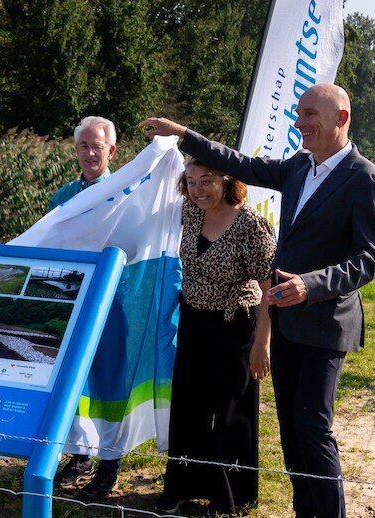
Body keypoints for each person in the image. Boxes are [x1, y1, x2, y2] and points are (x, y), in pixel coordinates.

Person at [143, 83, 375, 518]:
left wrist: (310, 285)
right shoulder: (298, 166)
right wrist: (185, 134)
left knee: (313, 429)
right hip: (288, 321)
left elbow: (370, 259)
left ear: (341, 117)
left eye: (310, 114)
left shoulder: (365, 178)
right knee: (293, 433)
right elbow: (241, 164)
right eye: (297, 113)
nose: (299, 123)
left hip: (325, 323)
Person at [154, 158, 275, 515]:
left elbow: (271, 289)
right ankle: (182, 486)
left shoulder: (251, 225)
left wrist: (262, 343)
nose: (198, 189)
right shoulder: (189, 214)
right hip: (193, 321)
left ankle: (230, 497)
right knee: (189, 407)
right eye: (191, 182)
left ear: (226, 181)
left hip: (236, 325)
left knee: (231, 411)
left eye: (206, 180)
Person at [47, 116, 124, 499]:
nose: (90, 153)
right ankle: (80, 454)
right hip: (73, 302)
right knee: (74, 382)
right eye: (83, 146)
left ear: (112, 151)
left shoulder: (128, 191)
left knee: (108, 382)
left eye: (98, 146)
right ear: (75, 150)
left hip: (114, 306)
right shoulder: (62, 196)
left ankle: (111, 463)